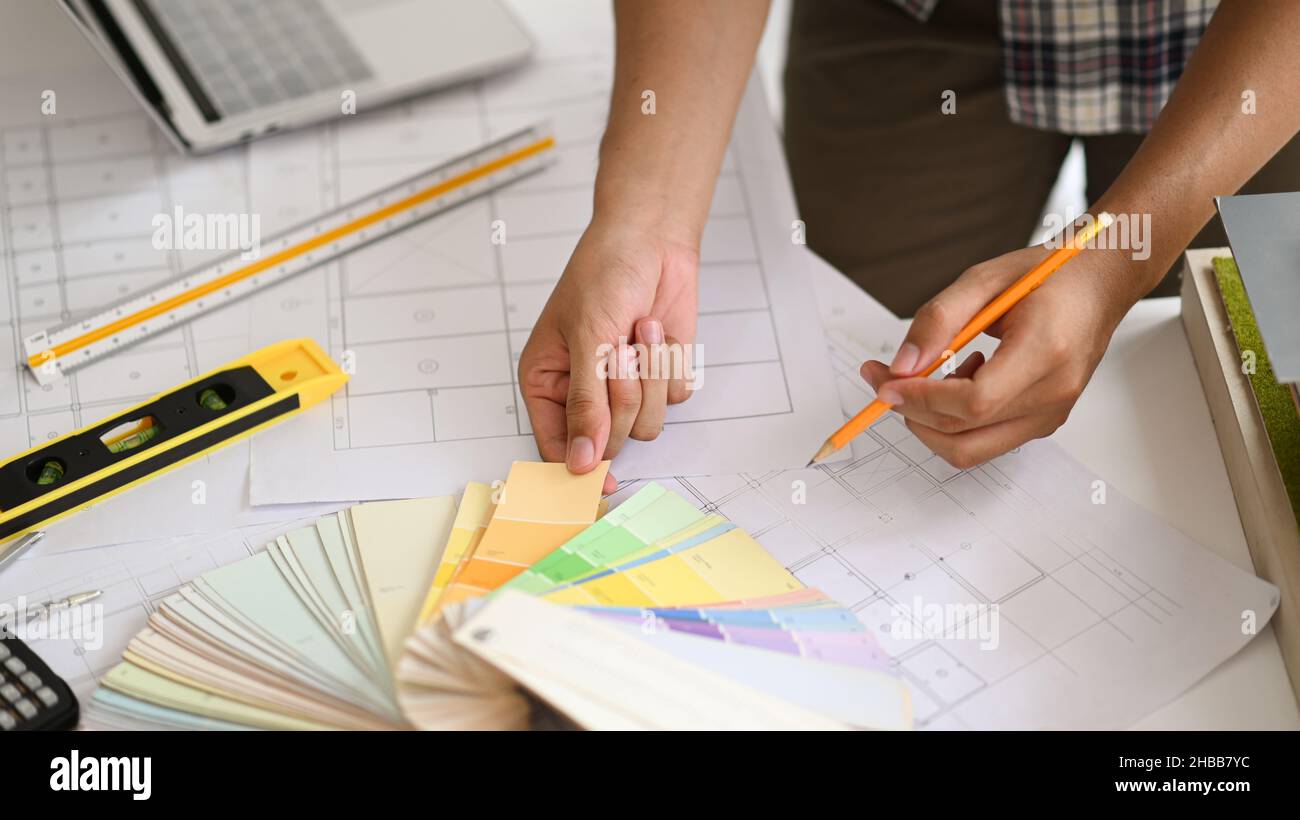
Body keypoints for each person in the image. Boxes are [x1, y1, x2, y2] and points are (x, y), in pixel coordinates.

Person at [519, 0, 1300, 492]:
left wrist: (1112, 266)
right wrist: (644, 224)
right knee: (860, 330)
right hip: (912, 18)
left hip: (1251, 40)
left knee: (1245, 378)